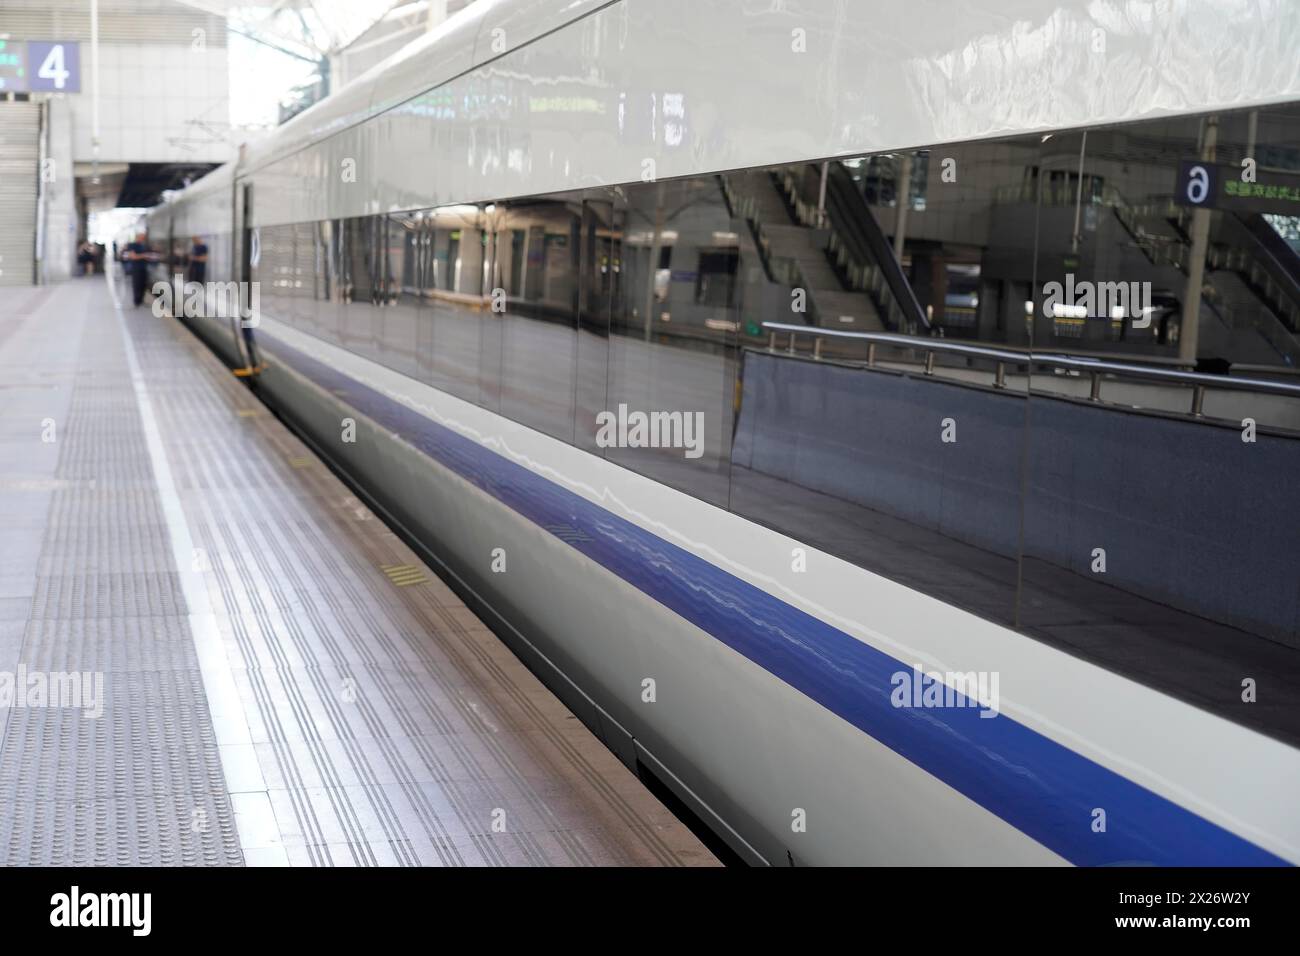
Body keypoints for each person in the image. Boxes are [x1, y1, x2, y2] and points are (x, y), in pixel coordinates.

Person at [122, 232, 156, 307]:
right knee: (137, 285)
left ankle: (141, 300)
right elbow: (133, 256)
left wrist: (148, 257)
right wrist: (144, 256)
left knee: (143, 284)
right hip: (136, 268)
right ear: (137, 237)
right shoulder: (132, 245)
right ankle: (136, 301)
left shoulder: (144, 245)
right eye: (142, 237)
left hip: (144, 268)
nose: (143, 238)